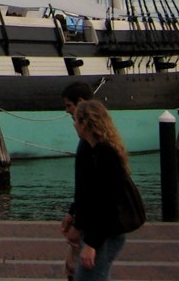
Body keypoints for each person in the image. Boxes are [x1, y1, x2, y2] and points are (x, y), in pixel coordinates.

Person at [67, 99, 135, 280]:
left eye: (75, 120)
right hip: (101, 234)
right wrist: (77, 220)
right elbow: (90, 196)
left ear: (85, 123)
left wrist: (91, 244)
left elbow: (106, 203)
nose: (73, 124)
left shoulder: (104, 154)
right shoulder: (97, 150)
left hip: (104, 236)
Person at [59, 81, 94, 280]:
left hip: (91, 229)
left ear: (80, 103)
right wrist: (73, 212)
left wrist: (80, 227)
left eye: (68, 106)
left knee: (82, 272)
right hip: (88, 224)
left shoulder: (94, 146)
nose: (68, 113)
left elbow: (95, 190)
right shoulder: (92, 142)